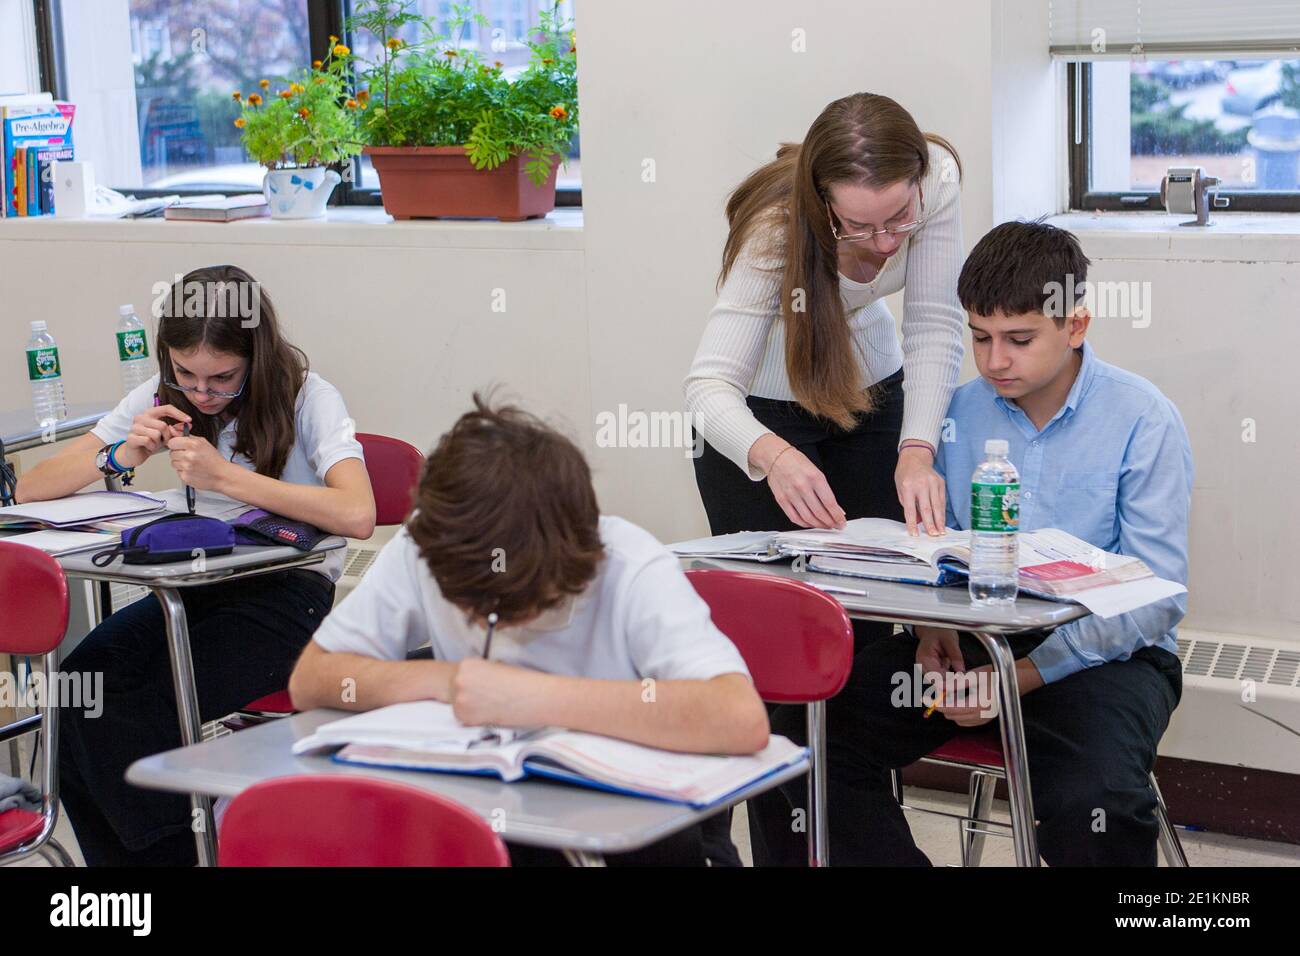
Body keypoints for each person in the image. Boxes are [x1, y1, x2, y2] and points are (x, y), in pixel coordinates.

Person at [749, 221, 1191, 866]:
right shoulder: (953, 414)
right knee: (798, 742)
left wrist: (1019, 677)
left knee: (1096, 802)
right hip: (969, 645)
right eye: (979, 337)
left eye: (1019, 339)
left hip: (1101, 660)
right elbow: (935, 556)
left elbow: (1153, 599)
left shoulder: (1142, 419)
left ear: (1076, 326)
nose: (994, 361)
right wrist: (934, 637)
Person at [17, 264, 375, 866]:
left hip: (286, 597)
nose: (202, 393)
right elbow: (31, 490)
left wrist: (228, 478)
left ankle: (180, 859)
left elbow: (358, 512)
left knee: (133, 711)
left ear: (255, 358)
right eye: (186, 373)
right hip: (191, 591)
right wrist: (121, 452)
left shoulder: (309, 396)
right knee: (78, 695)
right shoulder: (163, 393)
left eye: (222, 378)